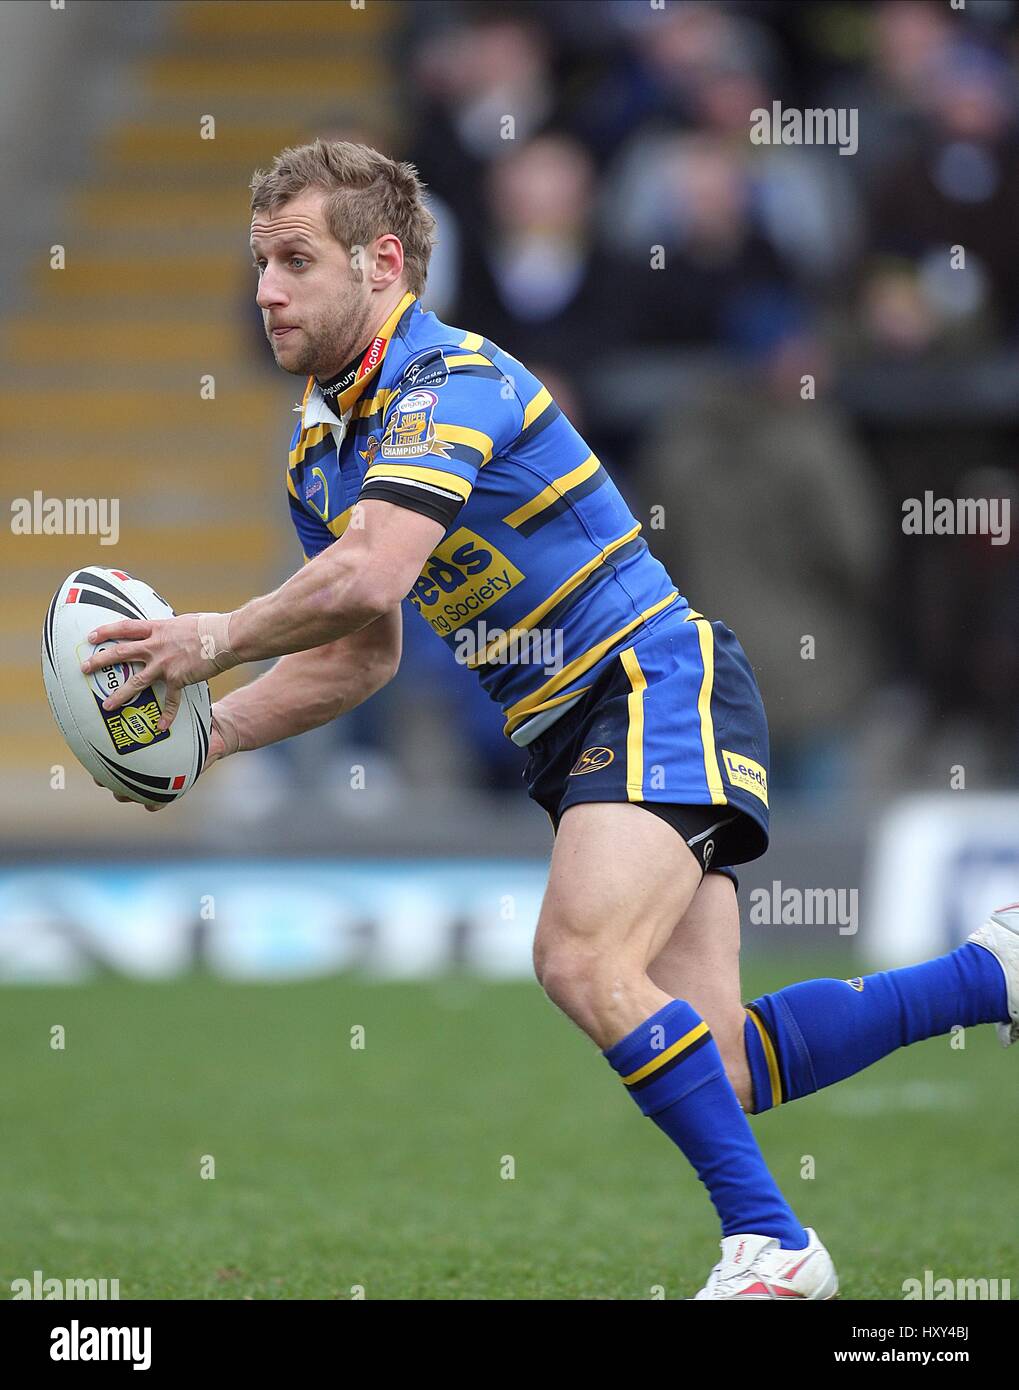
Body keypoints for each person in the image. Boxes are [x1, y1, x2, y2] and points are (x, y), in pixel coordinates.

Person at [82, 140, 1017, 1299]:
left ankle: (773, 1249)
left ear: (381, 264)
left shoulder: (449, 381)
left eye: (292, 260)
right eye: (258, 261)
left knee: (577, 956)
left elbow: (371, 577)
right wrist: (209, 738)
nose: (264, 289)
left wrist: (208, 641)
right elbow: (361, 656)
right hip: (577, 726)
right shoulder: (318, 449)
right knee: (718, 1058)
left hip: (646, 681)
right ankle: (992, 972)